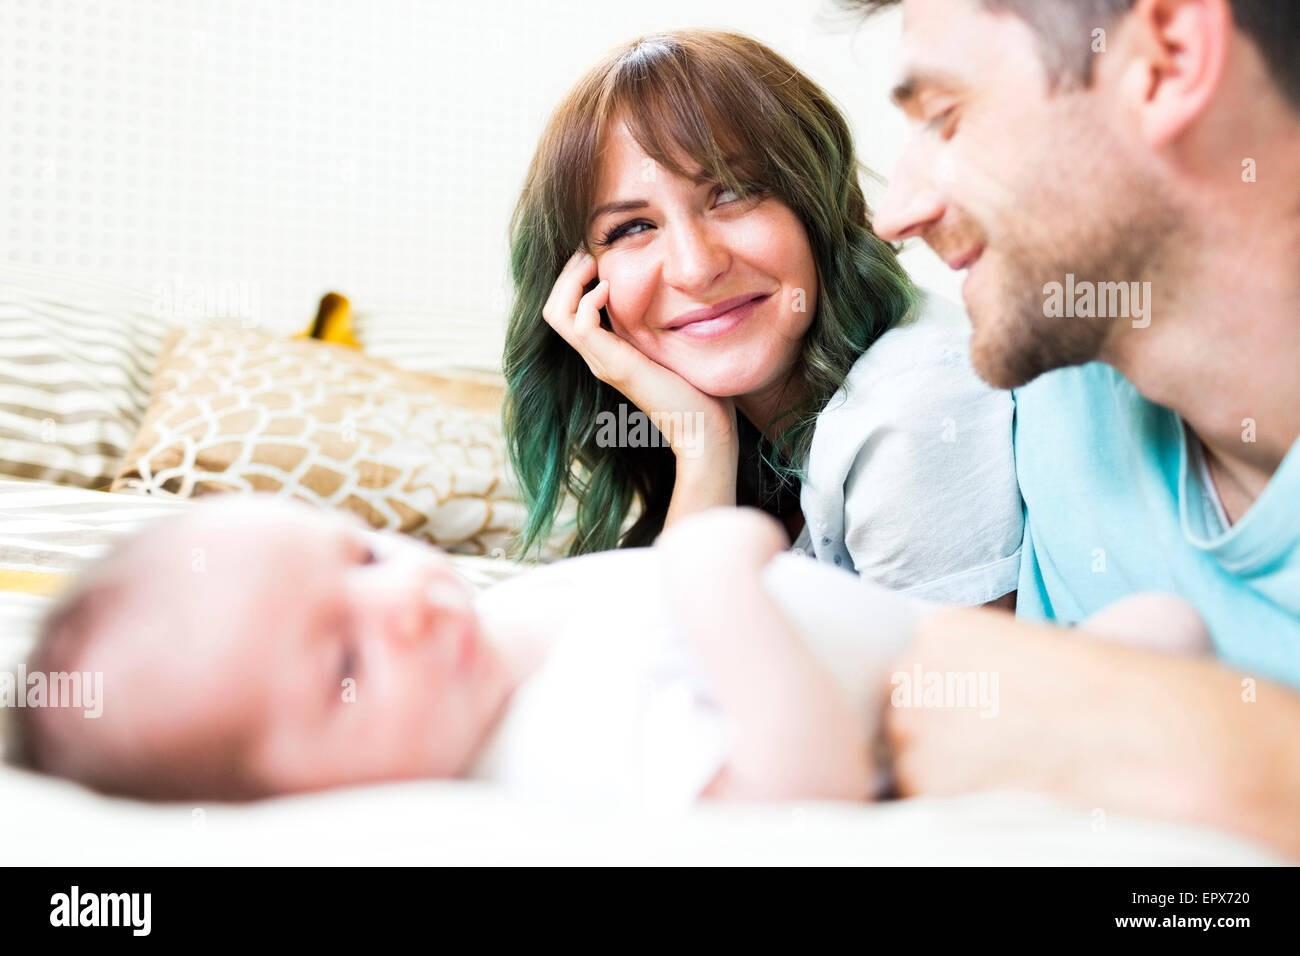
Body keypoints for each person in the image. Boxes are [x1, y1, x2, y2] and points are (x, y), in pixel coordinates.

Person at [843, 0, 1300, 855]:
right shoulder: (1060, 394)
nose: (894, 214)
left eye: (944, 116)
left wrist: (1232, 756)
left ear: (1164, 61)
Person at [10, 496, 1208, 806]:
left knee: (1160, 628)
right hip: (961, 723)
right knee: (1166, 640)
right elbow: (800, 794)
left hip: (974, 658)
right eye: (344, 668)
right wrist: (714, 577)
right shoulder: (554, 750)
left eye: (365, 556)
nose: (414, 603)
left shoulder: (488, 663)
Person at [503, 30, 1022, 608]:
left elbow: (963, 694)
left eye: (731, 193)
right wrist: (703, 446)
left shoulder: (910, 404)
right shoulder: (740, 428)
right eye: (632, 228)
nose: (696, 269)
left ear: (815, 202)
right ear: (581, 286)